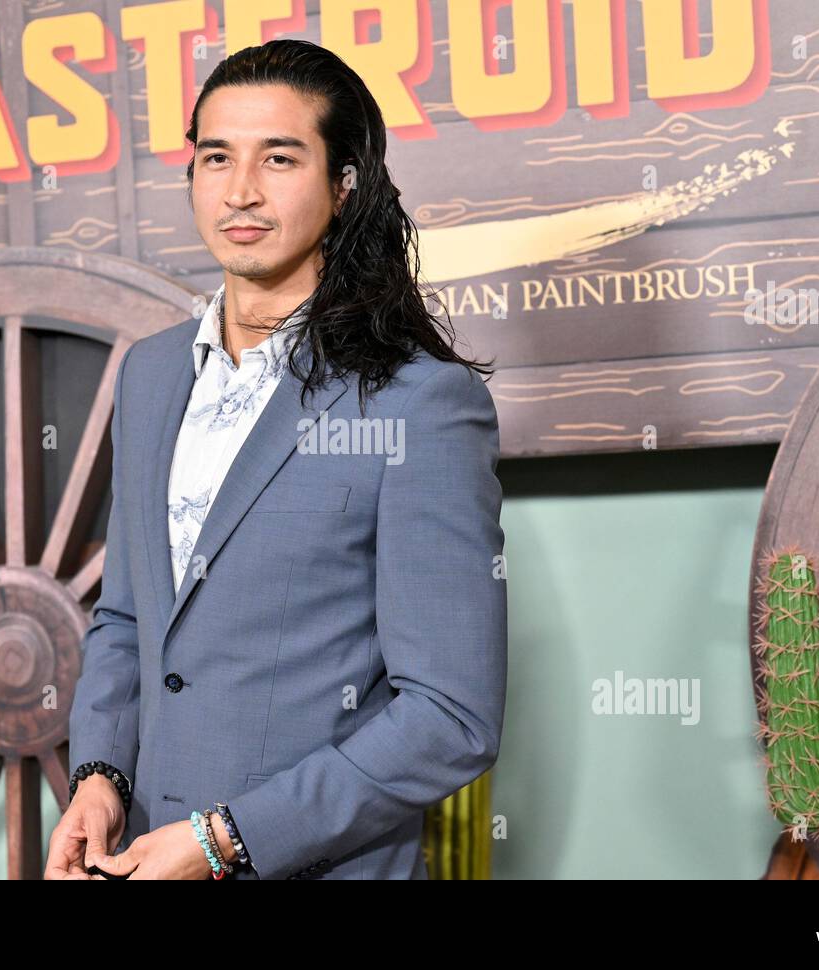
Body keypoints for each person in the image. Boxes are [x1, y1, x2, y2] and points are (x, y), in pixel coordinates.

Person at [45, 38, 506, 880]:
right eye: (216, 157)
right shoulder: (149, 373)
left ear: (345, 184)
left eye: (280, 158)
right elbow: (127, 620)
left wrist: (223, 840)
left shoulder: (420, 402)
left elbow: (450, 718)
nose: (241, 191)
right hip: (138, 858)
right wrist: (100, 776)